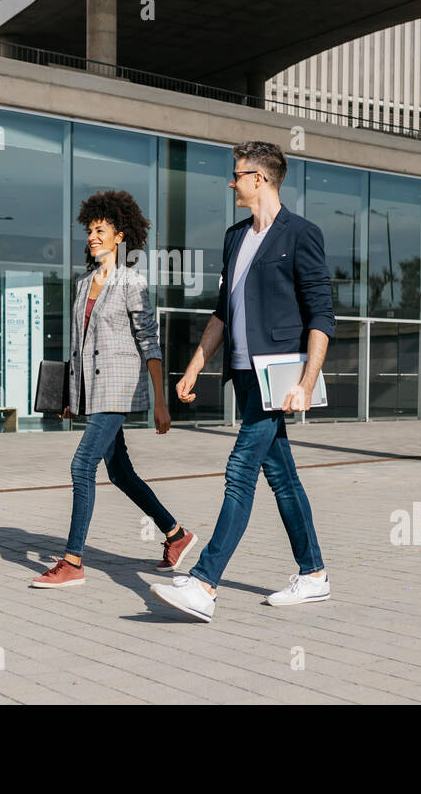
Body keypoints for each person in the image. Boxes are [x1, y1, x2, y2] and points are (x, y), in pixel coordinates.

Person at [150, 141, 333, 621]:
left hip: (279, 379)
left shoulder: (301, 234)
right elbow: (221, 313)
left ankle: (205, 583)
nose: (231, 182)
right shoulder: (235, 237)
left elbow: (321, 316)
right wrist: (193, 366)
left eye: (237, 175)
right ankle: (313, 574)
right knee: (282, 476)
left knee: (239, 471)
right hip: (244, 375)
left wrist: (307, 383)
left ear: (260, 179)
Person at [31, 190, 196, 588]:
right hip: (92, 390)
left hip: (119, 388)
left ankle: (72, 563)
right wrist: (72, 397)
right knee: (120, 472)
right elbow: (78, 344)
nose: (92, 236)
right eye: (89, 230)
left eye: (100, 229)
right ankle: (176, 535)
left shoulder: (131, 281)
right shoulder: (83, 283)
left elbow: (149, 342)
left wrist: (161, 401)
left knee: (81, 465)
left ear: (119, 236)